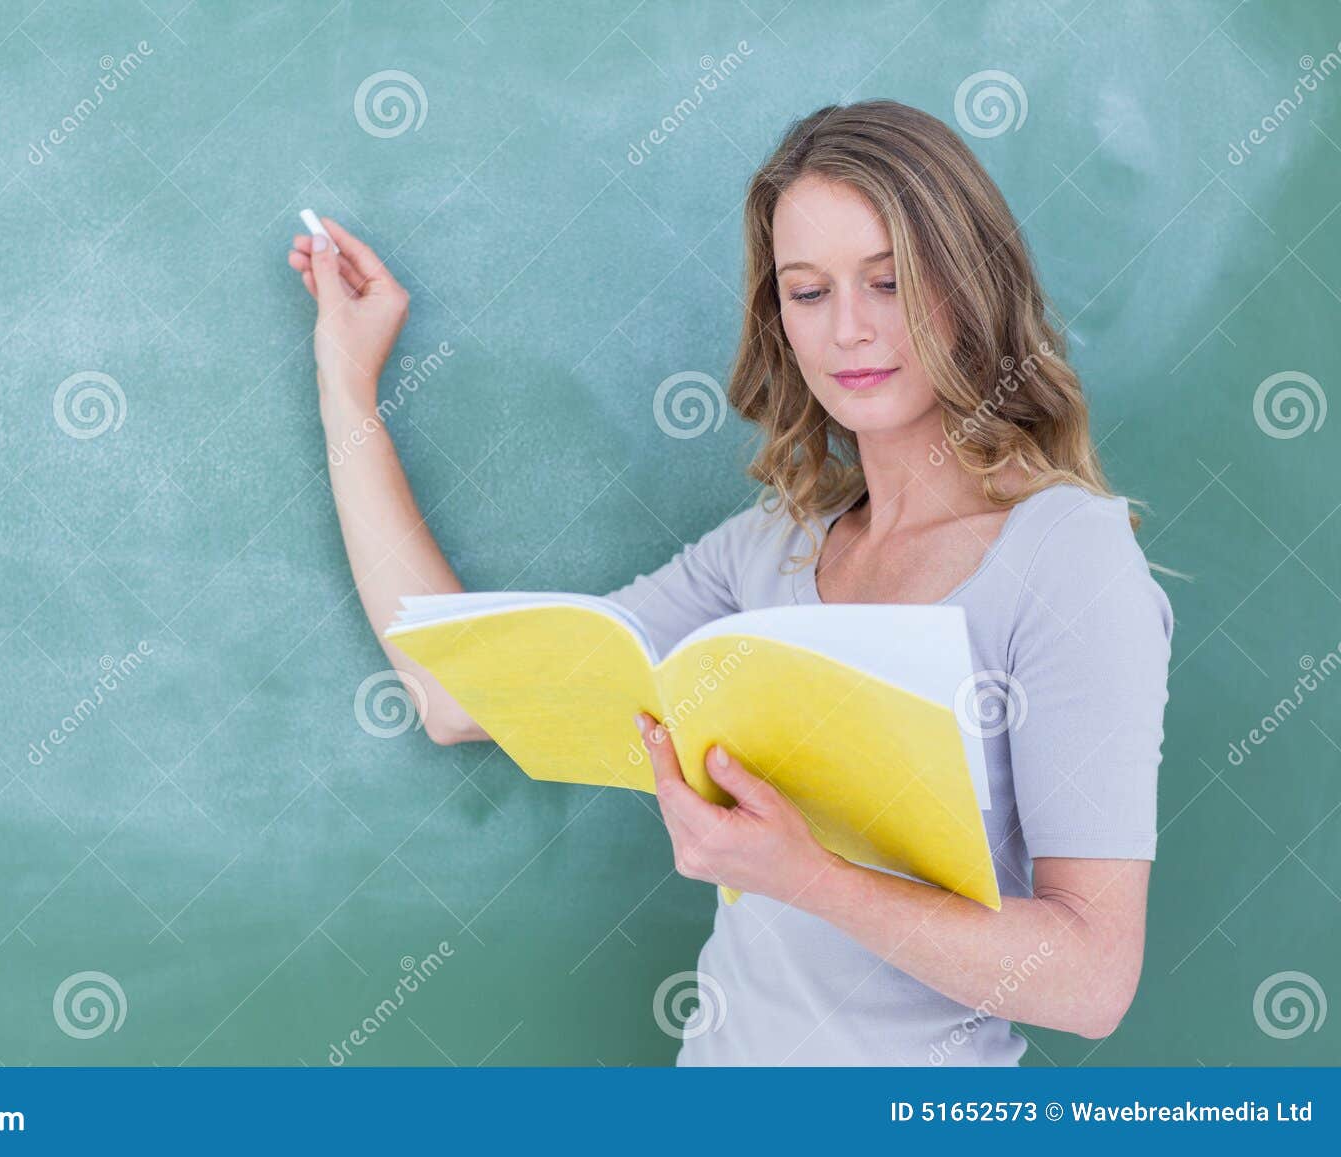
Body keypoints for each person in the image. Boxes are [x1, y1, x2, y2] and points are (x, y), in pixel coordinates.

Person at [286, 99, 1173, 1066]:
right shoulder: (772, 550)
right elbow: (453, 692)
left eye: (889, 281)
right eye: (807, 291)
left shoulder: (1068, 558)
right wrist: (347, 382)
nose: (850, 331)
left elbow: (1092, 981)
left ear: (967, 283)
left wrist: (806, 874)